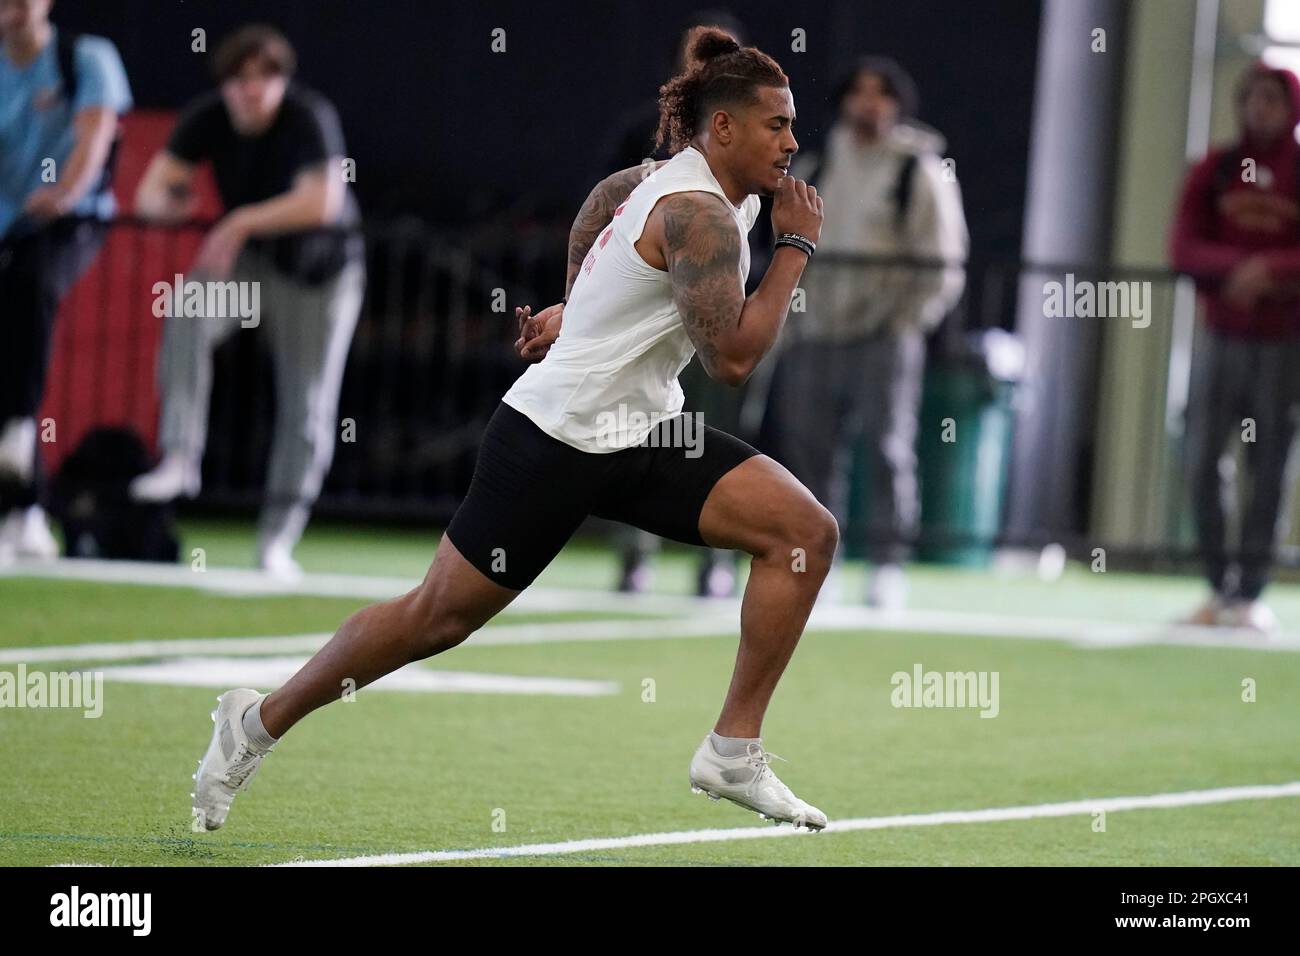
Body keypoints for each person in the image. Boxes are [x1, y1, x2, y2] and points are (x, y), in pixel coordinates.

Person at [191, 27, 835, 833]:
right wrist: (797, 247)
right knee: (435, 619)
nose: (793, 141)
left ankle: (732, 751)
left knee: (803, 532)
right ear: (726, 129)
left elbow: (603, 205)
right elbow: (735, 358)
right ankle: (254, 724)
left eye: (792, 123)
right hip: (554, 439)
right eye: (776, 123)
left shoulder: (678, 181)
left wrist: (579, 309)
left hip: (641, 434)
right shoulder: (701, 210)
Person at [132, 24, 364, 578]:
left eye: (266, 78)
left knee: (306, 410)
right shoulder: (207, 117)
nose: (252, 90)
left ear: (283, 82)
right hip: (254, 265)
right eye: (240, 79)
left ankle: (275, 544)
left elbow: (322, 203)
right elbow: (149, 193)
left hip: (321, 273)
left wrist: (239, 220)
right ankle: (182, 456)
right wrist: (170, 201)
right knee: (187, 308)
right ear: (225, 85)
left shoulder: (309, 116)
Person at [759, 57, 967, 608]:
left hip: (885, 332)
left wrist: (907, 322)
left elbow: (944, 259)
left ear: (898, 105)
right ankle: (819, 561)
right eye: (858, 92)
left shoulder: (917, 169)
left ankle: (886, 563)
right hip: (815, 329)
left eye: (881, 94)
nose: (868, 103)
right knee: (808, 452)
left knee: (886, 449)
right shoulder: (815, 163)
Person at [1170, 62, 1300, 633]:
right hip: (1221, 335)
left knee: (1268, 464)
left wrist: (1269, 271)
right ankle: (1216, 586)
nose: (1261, 109)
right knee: (1201, 458)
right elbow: (1183, 246)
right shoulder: (1216, 169)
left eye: (1273, 99)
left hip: (1282, 343)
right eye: (1253, 98)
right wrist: (1236, 271)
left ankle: (1250, 591)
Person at [0, 0, 132, 561]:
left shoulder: (87, 57)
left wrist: (62, 194)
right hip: (6, 228)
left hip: (69, 222)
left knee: (32, 293)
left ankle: (17, 434)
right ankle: (24, 503)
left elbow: (94, 137)